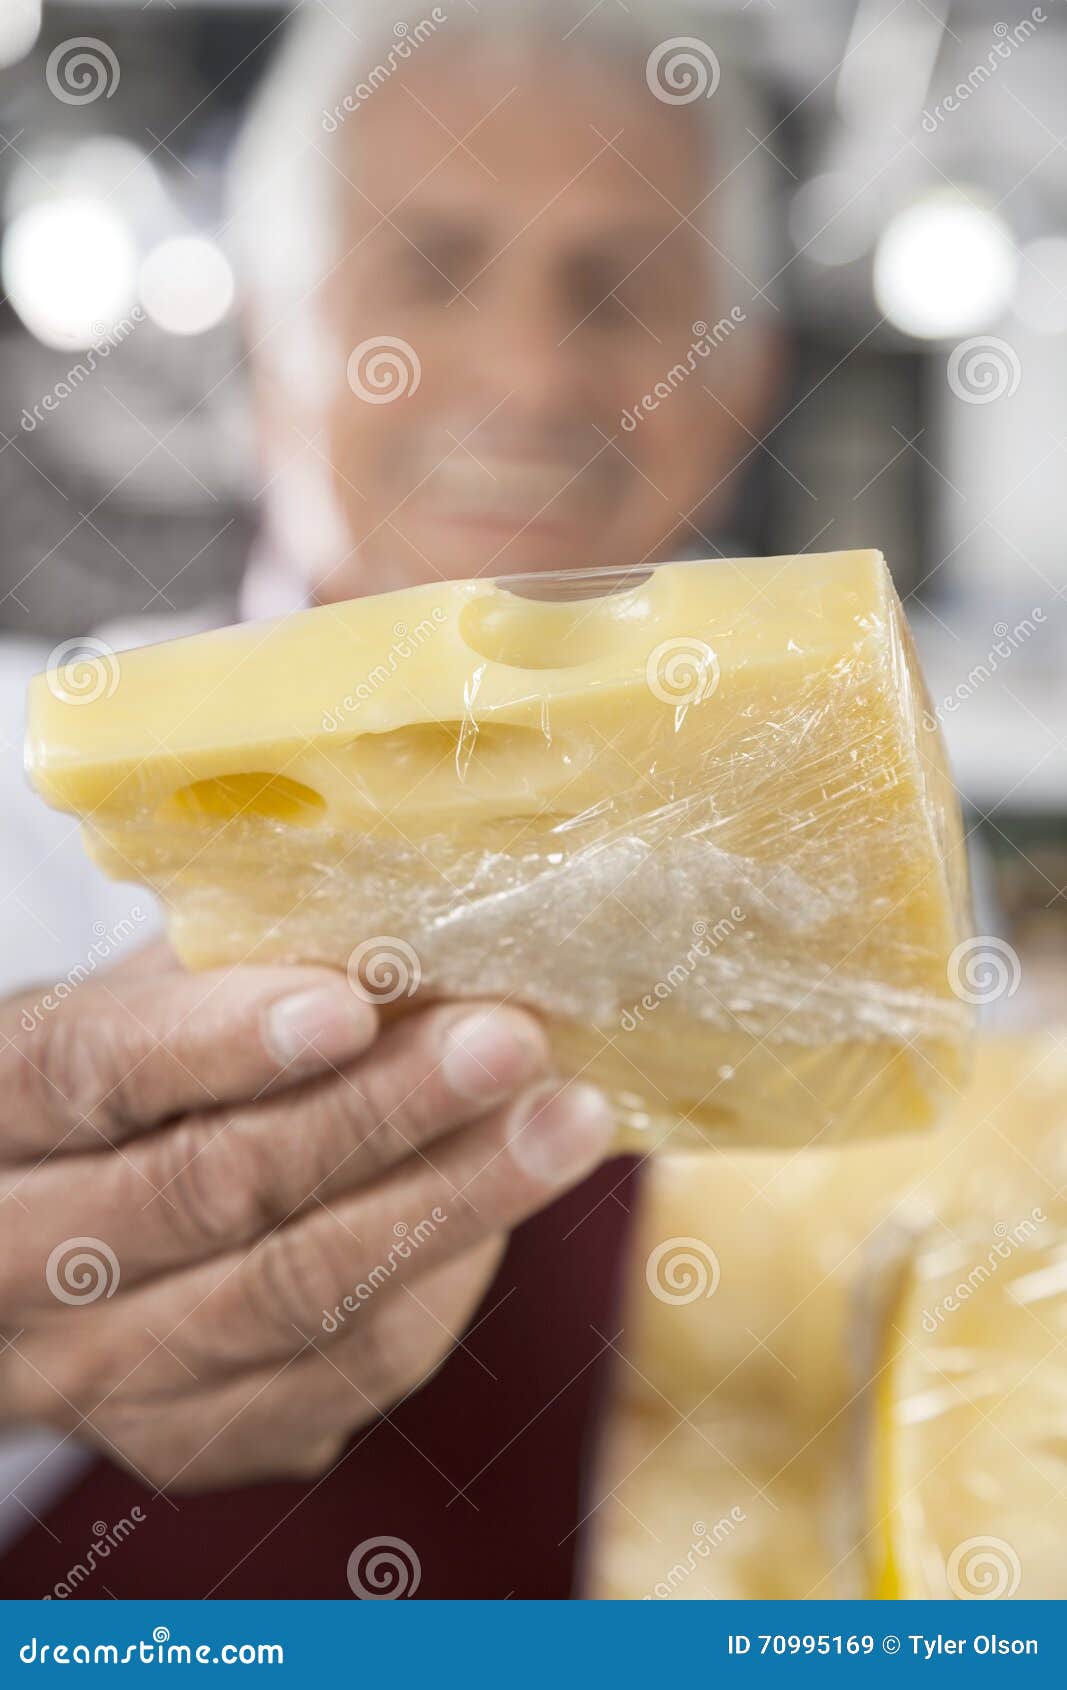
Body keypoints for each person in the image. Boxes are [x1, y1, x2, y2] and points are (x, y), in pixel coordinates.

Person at [0, 0, 778, 1597]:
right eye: (430, 269)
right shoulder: (19, 786)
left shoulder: (854, 857)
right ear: (263, 337)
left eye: (622, 290)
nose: (531, 370)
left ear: (742, 378)